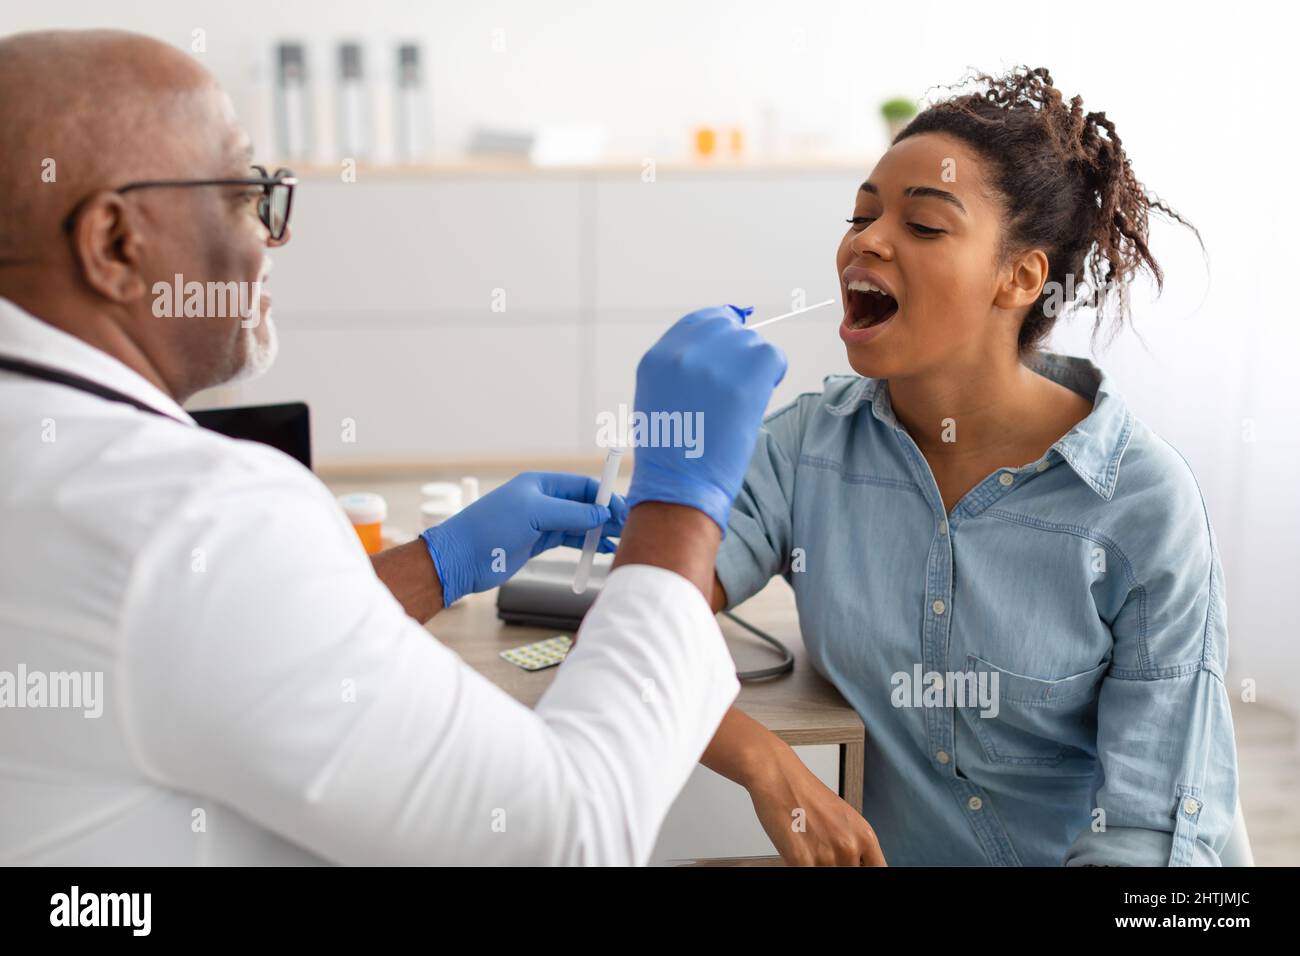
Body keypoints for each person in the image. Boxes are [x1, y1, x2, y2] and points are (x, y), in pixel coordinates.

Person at [0, 29, 792, 865]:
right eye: (245, 190)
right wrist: (679, 503)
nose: (274, 234)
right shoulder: (194, 517)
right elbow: (565, 835)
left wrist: (436, 563)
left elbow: (218, 655)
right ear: (117, 245)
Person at [701, 67, 1238, 866]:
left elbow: (1150, 837)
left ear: (1020, 278)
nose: (867, 240)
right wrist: (760, 760)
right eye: (861, 215)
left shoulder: (1140, 506)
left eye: (923, 227)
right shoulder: (809, 446)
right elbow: (643, 615)